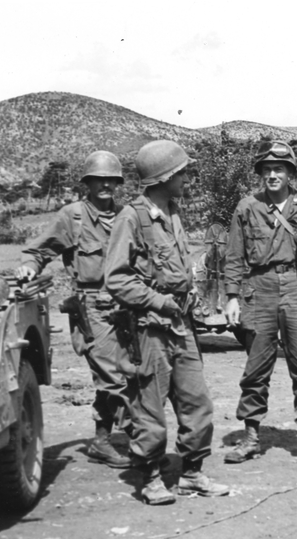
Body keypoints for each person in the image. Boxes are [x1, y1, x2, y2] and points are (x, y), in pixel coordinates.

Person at [104, 140, 228, 505]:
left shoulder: (172, 211)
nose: (188, 178)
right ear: (165, 176)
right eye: (183, 172)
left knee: (196, 401)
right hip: (149, 327)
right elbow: (117, 278)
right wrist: (159, 301)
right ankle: (151, 475)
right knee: (149, 406)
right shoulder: (132, 217)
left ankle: (192, 473)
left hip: (181, 323)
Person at [17, 150, 131, 469]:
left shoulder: (127, 215)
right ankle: (143, 437)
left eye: (111, 180)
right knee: (112, 376)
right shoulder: (73, 216)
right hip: (92, 308)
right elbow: (39, 251)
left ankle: (101, 440)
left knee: (129, 374)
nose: (105, 185)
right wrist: (28, 267)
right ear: (88, 183)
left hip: (128, 306)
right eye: (99, 180)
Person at [223, 141, 297, 464]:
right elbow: (234, 255)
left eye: (279, 169)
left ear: (291, 173)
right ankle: (251, 436)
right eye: (267, 170)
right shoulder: (247, 206)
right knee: (256, 367)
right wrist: (232, 296)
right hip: (259, 288)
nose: (272, 175)